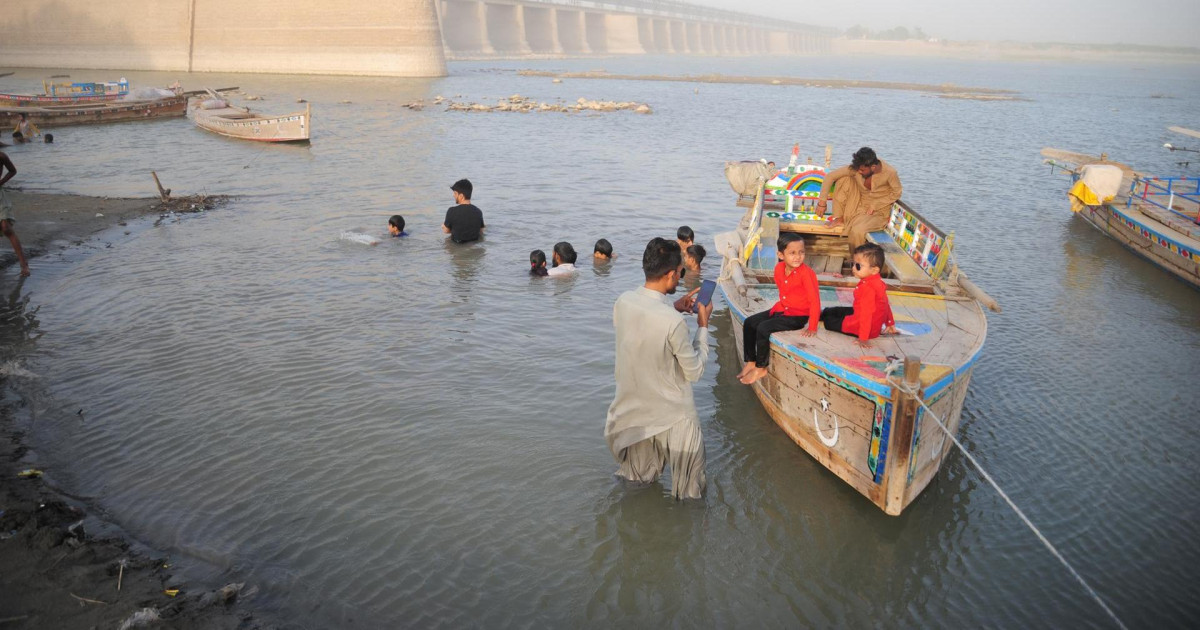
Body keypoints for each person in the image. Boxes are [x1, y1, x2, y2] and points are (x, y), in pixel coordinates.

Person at [605, 237, 712, 500]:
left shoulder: (623, 301)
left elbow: (642, 332)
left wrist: (672, 307)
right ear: (670, 275)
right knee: (690, 495)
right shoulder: (673, 323)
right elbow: (695, 371)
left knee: (635, 485)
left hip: (634, 414)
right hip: (675, 417)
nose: (680, 278)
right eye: (680, 273)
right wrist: (703, 325)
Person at [737, 233, 819, 385]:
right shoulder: (779, 269)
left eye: (801, 252)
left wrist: (812, 326)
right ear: (781, 255)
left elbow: (814, 301)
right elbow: (785, 291)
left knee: (763, 328)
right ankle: (751, 361)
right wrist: (779, 310)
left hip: (797, 316)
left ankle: (761, 367)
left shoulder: (807, 274)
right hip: (781, 309)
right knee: (749, 323)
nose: (798, 257)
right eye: (792, 253)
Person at [816, 147, 902, 250]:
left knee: (857, 231)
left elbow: (897, 192)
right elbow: (830, 177)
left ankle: (857, 261)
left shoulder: (890, 172)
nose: (859, 172)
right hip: (858, 205)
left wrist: (876, 204)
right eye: (858, 169)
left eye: (862, 170)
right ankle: (840, 219)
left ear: (873, 167)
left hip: (878, 212)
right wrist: (822, 203)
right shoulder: (857, 168)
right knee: (844, 179)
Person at [820, 243, 897, 349]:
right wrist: (890, 323)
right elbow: (885, 305)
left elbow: (866, 315)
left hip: (862, 328)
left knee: (829, 322)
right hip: (870, 323)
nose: (853, 268)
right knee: (840, 310)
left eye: (858, 266)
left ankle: (823, 315)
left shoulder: (868, 288)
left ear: (874, 270)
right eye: (854, 264)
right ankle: (824, 312)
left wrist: (863, 338)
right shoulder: (878, 282)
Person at [0, 151, 31, 277]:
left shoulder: (1, 156)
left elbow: (12, 171)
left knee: (6, 228)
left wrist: (1, 182)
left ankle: (24, 265)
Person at [442, 179, 485, 243]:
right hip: (474, 244)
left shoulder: (451, 211)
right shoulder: (478, 211)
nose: (453, 195)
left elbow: (446, 231)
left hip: (457, 245)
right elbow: (481, 230)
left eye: (455, 193)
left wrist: (444, 226)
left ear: (461, 196)